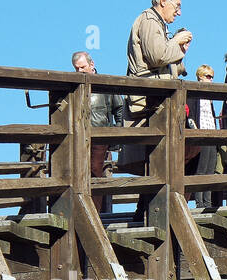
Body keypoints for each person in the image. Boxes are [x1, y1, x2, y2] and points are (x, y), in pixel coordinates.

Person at [125, 0, 191, 220]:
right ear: (163, 1)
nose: (179, 12)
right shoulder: (150, 21)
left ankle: (158, 207)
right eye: (177, 5)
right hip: (150, 104)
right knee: (160, 157)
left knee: (162, 157)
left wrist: (179, 48)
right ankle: (153, 210)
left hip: (160, 104)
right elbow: (157, 57)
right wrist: (175, 41)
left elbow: (171, 65)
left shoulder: (157, 23)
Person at [72, 51, 124, 213]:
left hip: (100, 134)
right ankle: (81, 210)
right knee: (77, 171)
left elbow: (119, 108)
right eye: (76, 68)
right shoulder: (74, 86)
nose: (79, 71)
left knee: (95, 170)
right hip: (79, 135)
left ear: (92, 64)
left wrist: (118, 134)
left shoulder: (105, 83)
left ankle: (95, 211)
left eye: (82, 67)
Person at [186, 63, 219, 207]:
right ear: (200, 76)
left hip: (211, 133)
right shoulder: (193, 93)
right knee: (201, 168)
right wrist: (195, 132)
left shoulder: (209, 96)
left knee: (210, 169)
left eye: (212, 77)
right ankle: (200, 202)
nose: (210, 79)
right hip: (201, 134)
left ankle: (208, 201)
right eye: (208, 76)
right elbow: (190, 115)